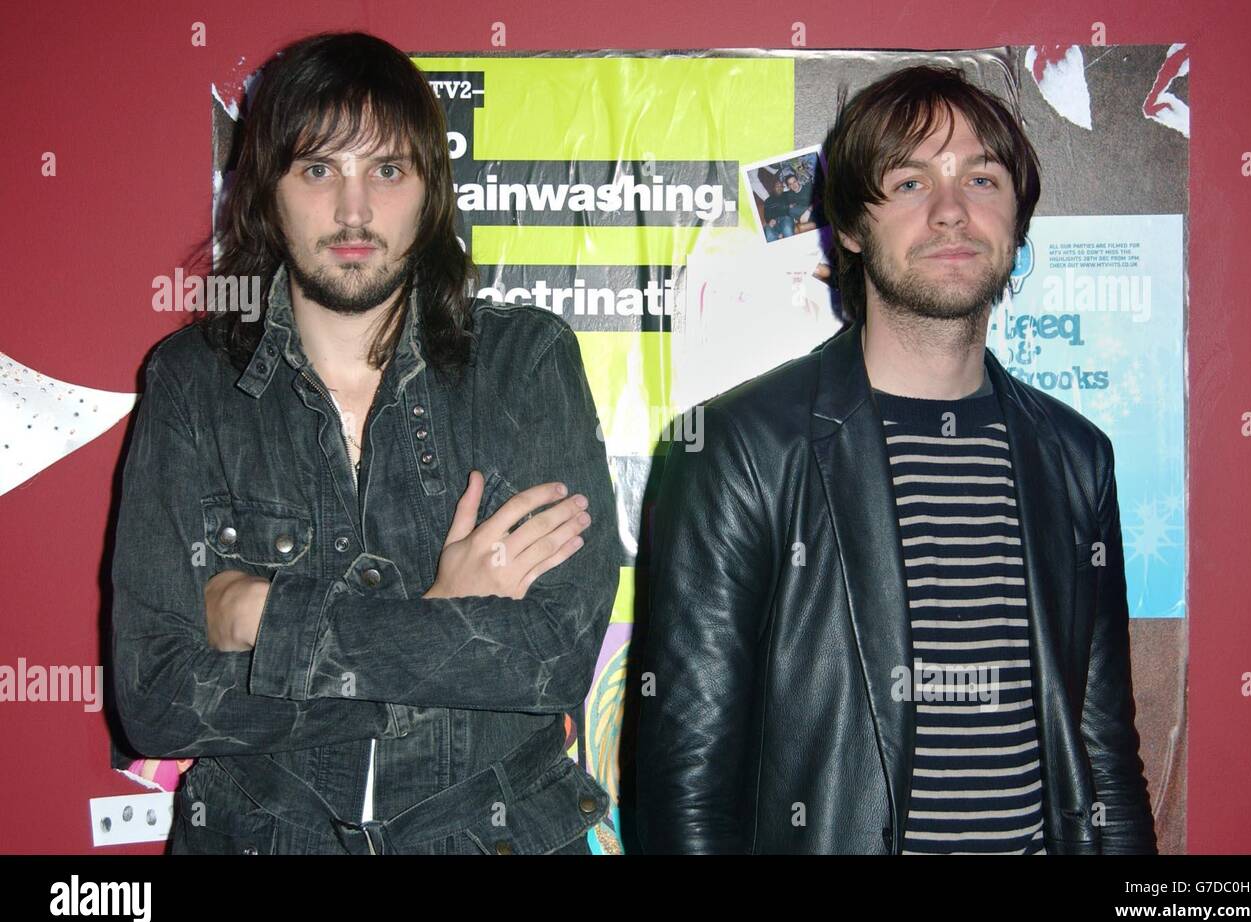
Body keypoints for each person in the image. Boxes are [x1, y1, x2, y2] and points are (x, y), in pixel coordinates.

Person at [111, 31, 620, 855]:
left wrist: (265, 618)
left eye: (386, 170)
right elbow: (159, 700)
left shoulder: (526, 360)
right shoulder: (191, 382)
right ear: (266, 191)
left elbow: (550, 659)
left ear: (429, 189)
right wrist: (439, 620)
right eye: (319, 170)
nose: (354, 212)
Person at [636, 64, 1157, 854]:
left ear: (1017, 218)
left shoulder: (1076, 458)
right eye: (910, 182)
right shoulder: (737, 450)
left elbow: (1105, 760)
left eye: (981, 177)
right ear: (849, 226)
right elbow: (683, 791)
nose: (952, 210)